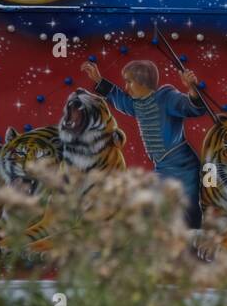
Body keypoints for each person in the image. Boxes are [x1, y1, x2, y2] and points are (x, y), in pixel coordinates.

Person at [80, 59, 210, 227]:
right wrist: (99, 80)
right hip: (162, 167)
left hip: (183, 167)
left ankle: (192, 242)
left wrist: (192, 88)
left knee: (187, 212)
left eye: (129, 82)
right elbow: (120, 99)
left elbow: (192, 108)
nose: (126, 87)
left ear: (143, 82)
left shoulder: (166, 97)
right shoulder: (138, 104)